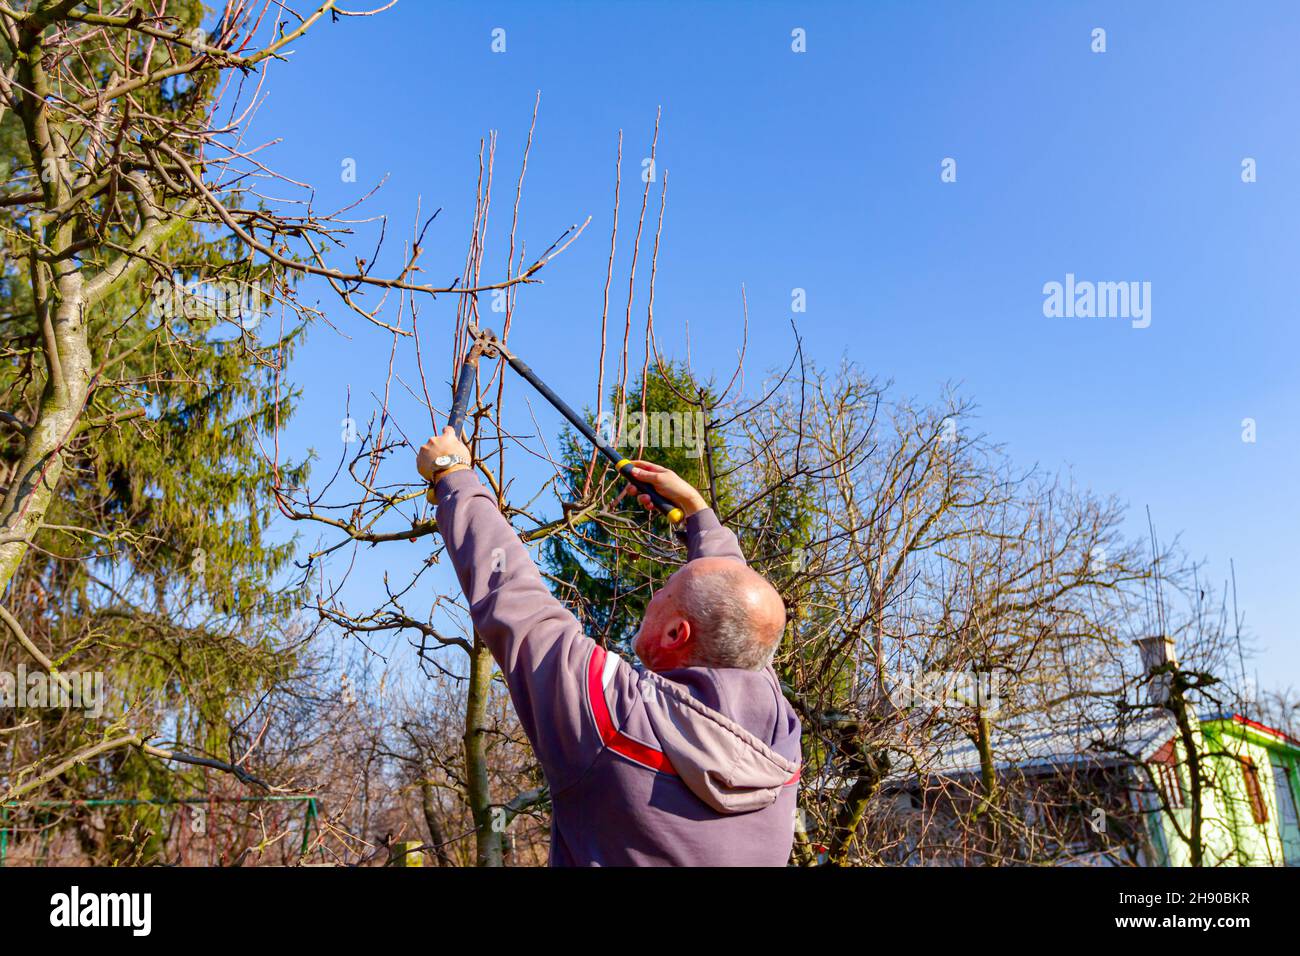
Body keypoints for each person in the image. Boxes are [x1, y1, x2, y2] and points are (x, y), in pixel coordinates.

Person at [417, 426, 801, 866]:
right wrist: (698, 513)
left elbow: (516, 602)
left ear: (676, 635)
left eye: (666, 590)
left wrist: (453, 475)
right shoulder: (780, 738)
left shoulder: (618, 721)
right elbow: (741, 607)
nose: (654, 593)